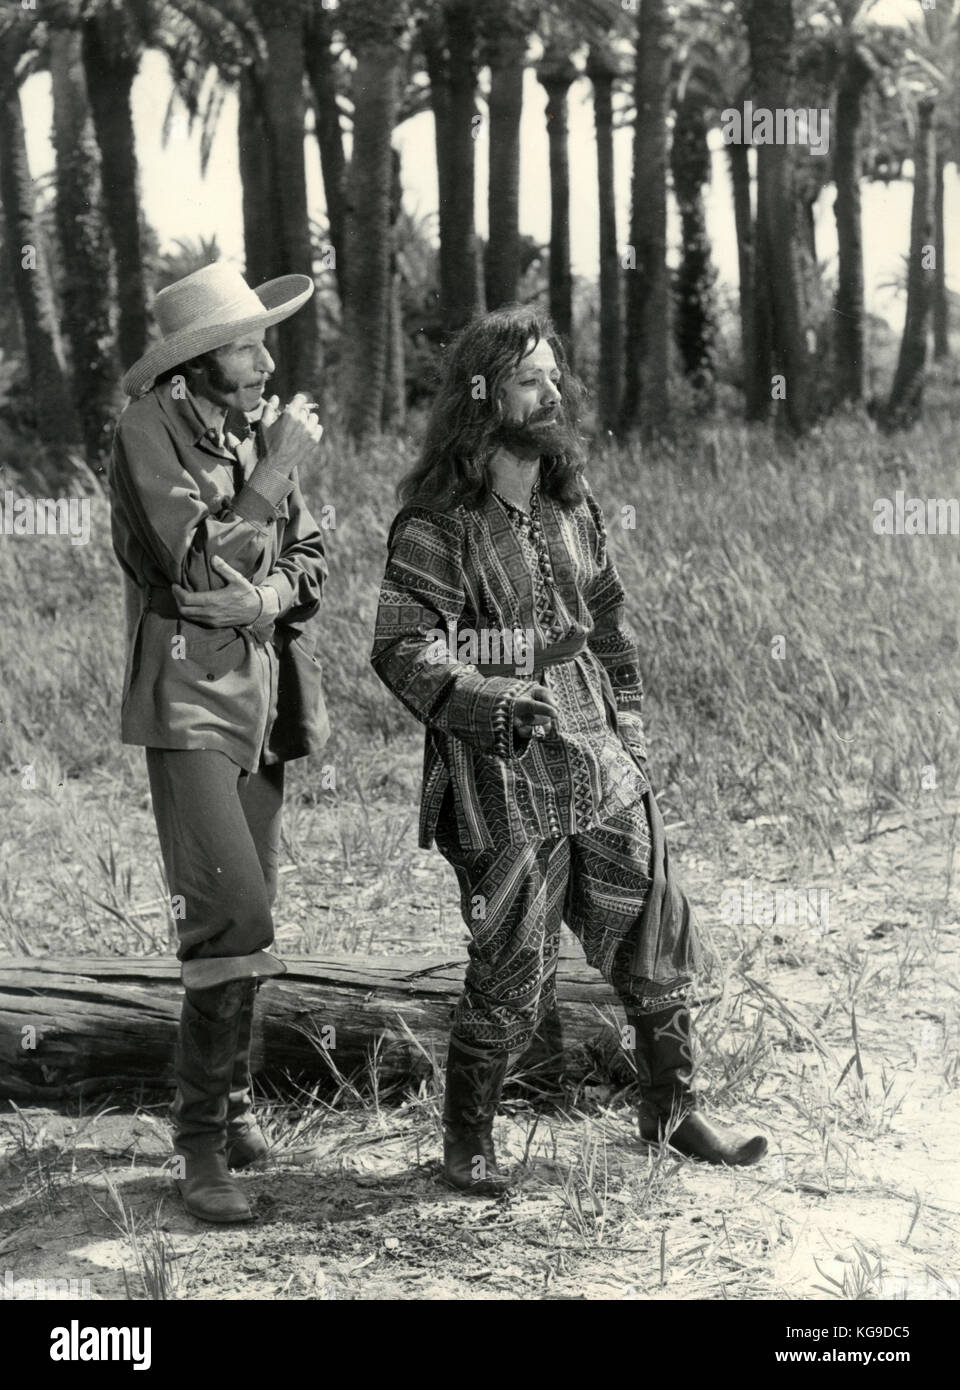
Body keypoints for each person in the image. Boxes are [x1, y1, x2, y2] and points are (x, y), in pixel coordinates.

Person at [370, 305, 767, 1195]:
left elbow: (612, 626)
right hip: (498, 780)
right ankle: (468, 1135)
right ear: (483, 399)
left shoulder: (569, 503)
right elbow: (402, 648)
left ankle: (671, 1108)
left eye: (553, 376)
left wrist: (632, 731)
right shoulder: (438, 523)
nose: (551, 392)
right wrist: (502, 690)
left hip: (599, 762)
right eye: (528, 380)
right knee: (511, 962)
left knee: (656, 928)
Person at [108, 262, 329, 1223]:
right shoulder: (147, 430)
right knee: (229, 915)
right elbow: (191, 563)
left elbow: (314, 559)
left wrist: (268, 596)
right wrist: (276, 473)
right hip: (190, 695)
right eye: (247, 346)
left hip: (267, 693)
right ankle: (199, 1146)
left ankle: (233, 1111)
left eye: (263, 343)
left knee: (257, 908)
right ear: (197, 361)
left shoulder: (253, 424)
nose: (266, 360)